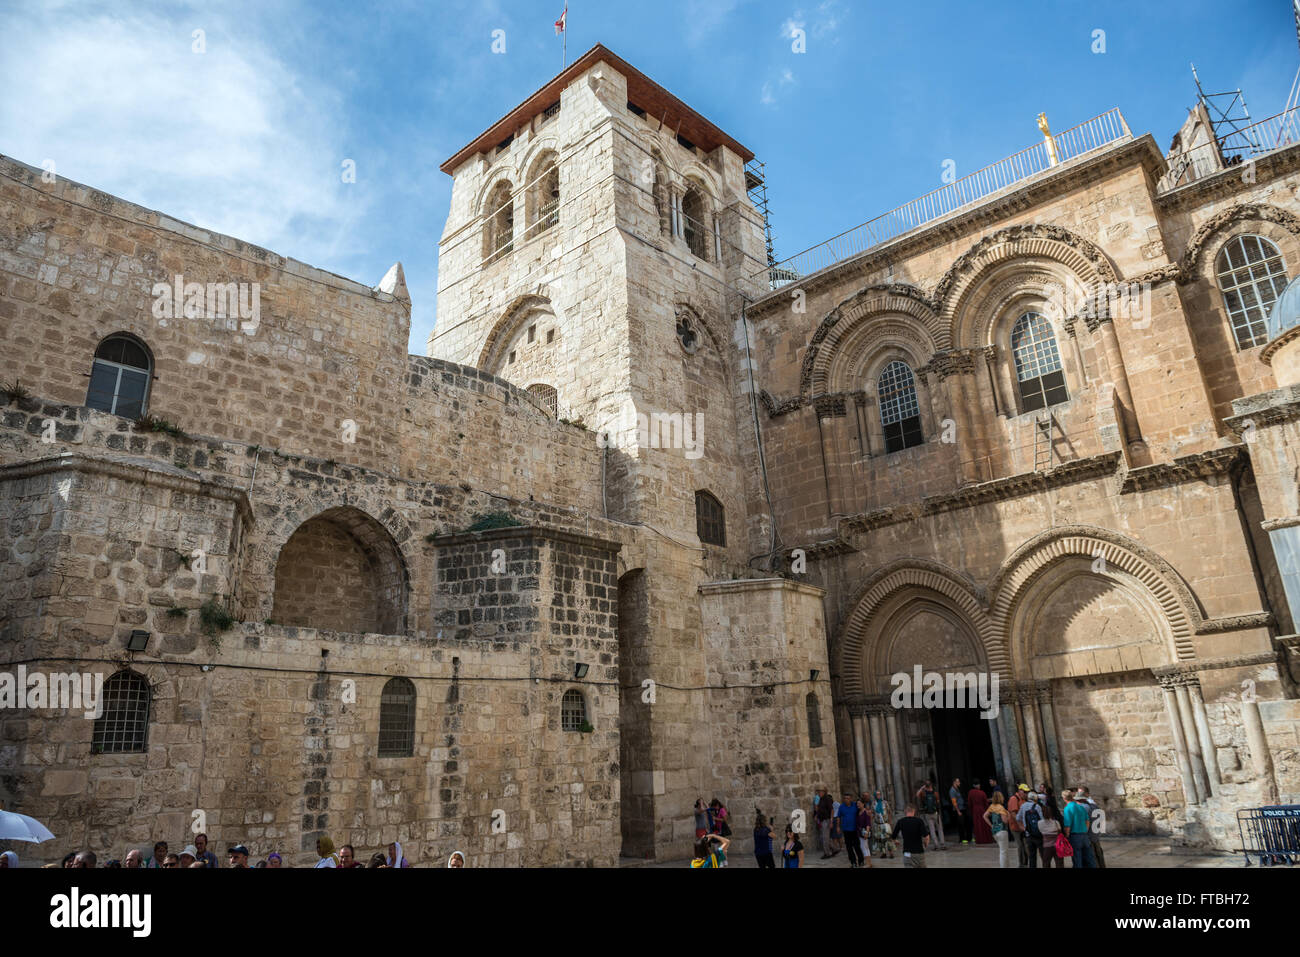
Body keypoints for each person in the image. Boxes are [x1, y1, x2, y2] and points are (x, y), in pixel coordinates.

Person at [1063, 792, 1098, 868]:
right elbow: (1087, 821)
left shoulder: (1067, 808)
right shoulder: (1080, 807)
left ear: (1064, 799)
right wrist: (1085, 830)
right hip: (1084, 835)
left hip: (1075, 836)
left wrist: (1067, 836)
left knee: (1077, 860)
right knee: (1089, 859)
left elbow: (1067, 825)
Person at [1078, 786, 1106, 868]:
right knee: (1097, 853)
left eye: (1081, 792)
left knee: (1093, 855)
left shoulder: (1087, 805)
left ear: (1086, 793)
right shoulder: (1092, 804)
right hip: (1094, 833)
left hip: (1090, 833)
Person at [1036, 793, 1064, 868]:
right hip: (1057, 846)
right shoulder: (1056, 822)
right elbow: (1060, 831)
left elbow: (1040, 832)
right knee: (1059, 863)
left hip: (1047, 846)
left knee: (1046, 863)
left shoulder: (1039, 823)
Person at [984, 791, 1011, 867]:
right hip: (1002, 831)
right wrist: (1009, 815)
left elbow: (984, 816)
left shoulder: (991, 806)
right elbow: (1005, 821)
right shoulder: (1001, 808)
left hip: (995, 831)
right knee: (1003, 852)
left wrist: (991, 825)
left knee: (1003, 851)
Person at [916, 780, 945, 850]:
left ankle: (936, 845)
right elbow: (938, 803)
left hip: (927, 814)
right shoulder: (935, 793)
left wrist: (921, 788)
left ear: (925, 786)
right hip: (935, 813)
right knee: (940, 829)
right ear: (931, 785)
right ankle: (943, 844)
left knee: (932, 830)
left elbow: (917, 795)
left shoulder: (923, 793)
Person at [838, 792, 863, 867]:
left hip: (855, 830)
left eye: (848, 798)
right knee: (849, 847)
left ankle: (861, 861)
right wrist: (838, 827)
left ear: (851, 799)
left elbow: (861, 810)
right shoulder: (841, 807)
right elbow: (839, 817)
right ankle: (853, 862)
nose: (846, 800)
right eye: (845, 798)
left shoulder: (855, 805)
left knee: (857, 846)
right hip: (846, 830)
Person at [1007, 785, 1029, 867]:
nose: (1026, 793)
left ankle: (1025, 862)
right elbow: (1013, 813)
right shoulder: (1014, 799)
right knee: (1020, 846)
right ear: (1020, 791)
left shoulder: (1024, 799)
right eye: (1025, 792)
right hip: (1016, 827)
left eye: (1027, 792)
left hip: (1023, 826)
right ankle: (1021, 864)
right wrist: (1020, 825)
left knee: (1025, 845)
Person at [871, 789, 895, 859]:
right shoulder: (873, 803)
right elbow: (872, 813)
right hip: (878, 824)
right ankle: (883, 853)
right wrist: (871, 822)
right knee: (880, 839)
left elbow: (889, 812)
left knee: (888, 838)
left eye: (879, 794)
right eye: (877, 794)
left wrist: (890, 822)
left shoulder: (885, 802)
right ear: (875, 796)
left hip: (885, 823)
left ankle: (891, 853)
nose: (879, 796)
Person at [949, 778, 970, 844]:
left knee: (966, 822)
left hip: (962, 808)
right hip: (958, 809)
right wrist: (958, 811)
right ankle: (962, 839)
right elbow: (954, 802)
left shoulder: (957, 789)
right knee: (961, 824)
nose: (959, 783)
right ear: (954, 782)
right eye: (958, 782)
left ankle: (968, 837)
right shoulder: (952, 791)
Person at [816, 786, 835, 858]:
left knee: (825, 838)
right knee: (825, 837)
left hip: (826, 820)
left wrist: (831, 821)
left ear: (824, 792)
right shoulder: (821, 799)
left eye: (820, 791)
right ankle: (835, 849)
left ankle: (827, 853)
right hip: (822, 820)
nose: (819, 793)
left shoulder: (827, 799)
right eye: (818, 791)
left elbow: (832, 810)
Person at [855, 798, 873, 867]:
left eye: (859, 803)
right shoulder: (859, 812)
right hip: (859, 832)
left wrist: (867, 833)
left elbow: (868, 823)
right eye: (857, 804)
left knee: (864, 847)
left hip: (864, 832)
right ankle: (869, 863)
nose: (858, 805)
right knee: (865, 847)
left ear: (863, 804)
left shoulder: (866, 812)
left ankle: (868, 863)